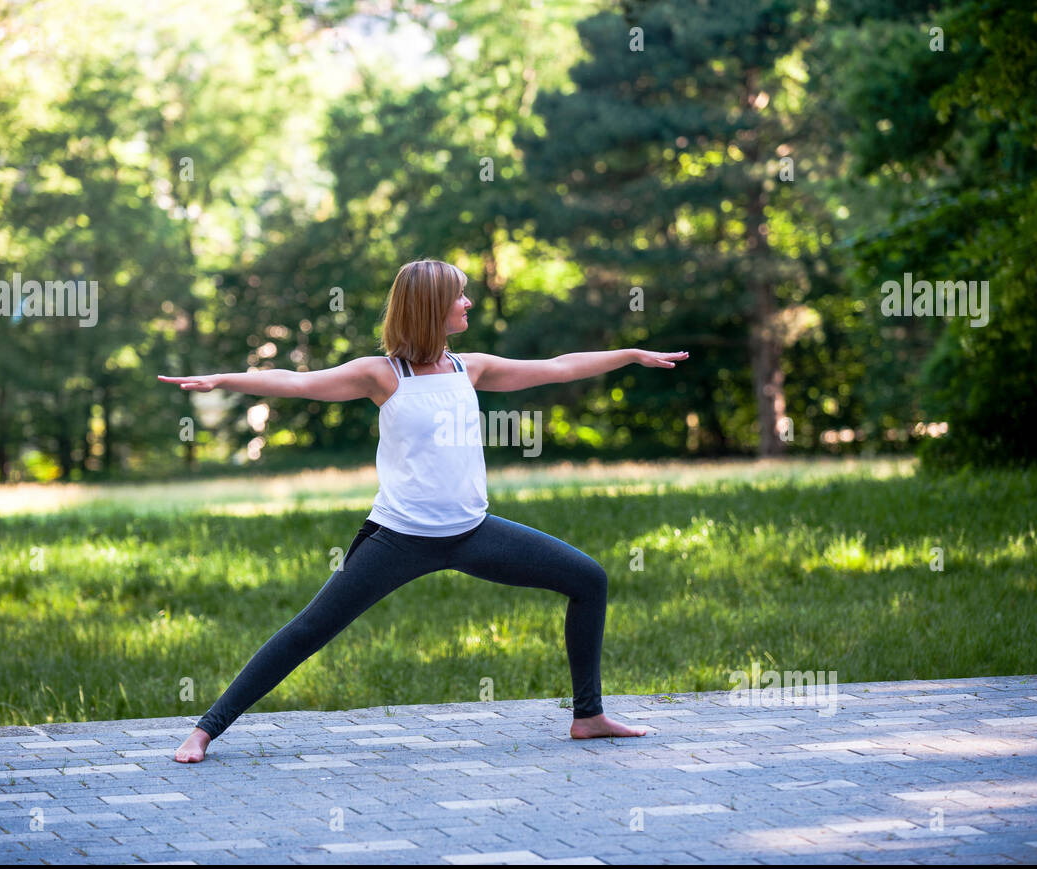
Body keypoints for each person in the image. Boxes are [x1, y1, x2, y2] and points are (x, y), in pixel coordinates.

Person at [158, 259, 689, 762]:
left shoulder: (469, 367)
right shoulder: (382, 374)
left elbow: (555, 368)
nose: (468, 302)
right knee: (309, 631)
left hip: (473, 532)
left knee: (588, 579)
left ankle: (589, 716)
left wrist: (628, 355)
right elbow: (299, 383)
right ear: (431, 307)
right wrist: (225, 380)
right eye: (458, 295)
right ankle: (206, 728)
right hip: (398, 538)